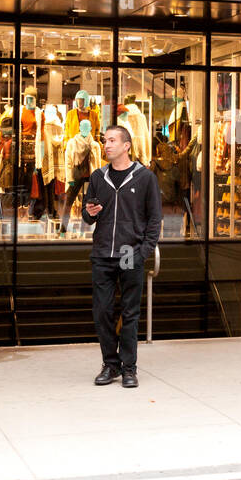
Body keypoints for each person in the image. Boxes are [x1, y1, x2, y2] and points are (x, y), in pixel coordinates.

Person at [83, 124, 162, 388]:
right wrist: (89, 213)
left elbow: (155, 219)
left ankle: (129, 368)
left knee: (129, 313)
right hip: (103, 252)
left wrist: (144, 252)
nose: (106, 145)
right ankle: (110, 364)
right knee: (102, 311)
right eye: (105, 140)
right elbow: (86, 214)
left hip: (130, 253)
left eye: (112, 141)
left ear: (126, 146)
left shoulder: (145, 178)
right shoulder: (97, 177)